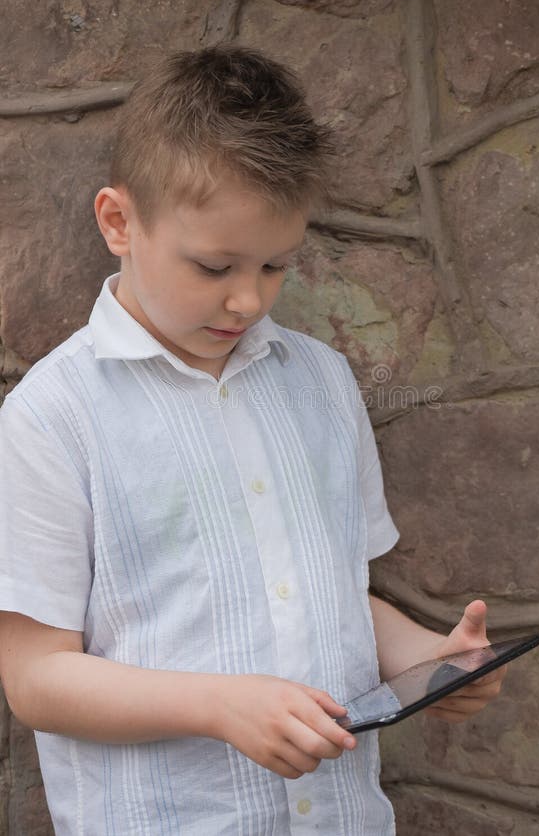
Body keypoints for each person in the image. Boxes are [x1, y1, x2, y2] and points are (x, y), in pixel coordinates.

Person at [0, 45, 504, 835]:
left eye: (275, 265)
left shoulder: (321, 381)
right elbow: (35, 679)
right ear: (118, 222)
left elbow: (332, 596)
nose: (245, 298)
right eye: (213, 265)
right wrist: (217, 704)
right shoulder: (51, 418)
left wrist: (428, 662)